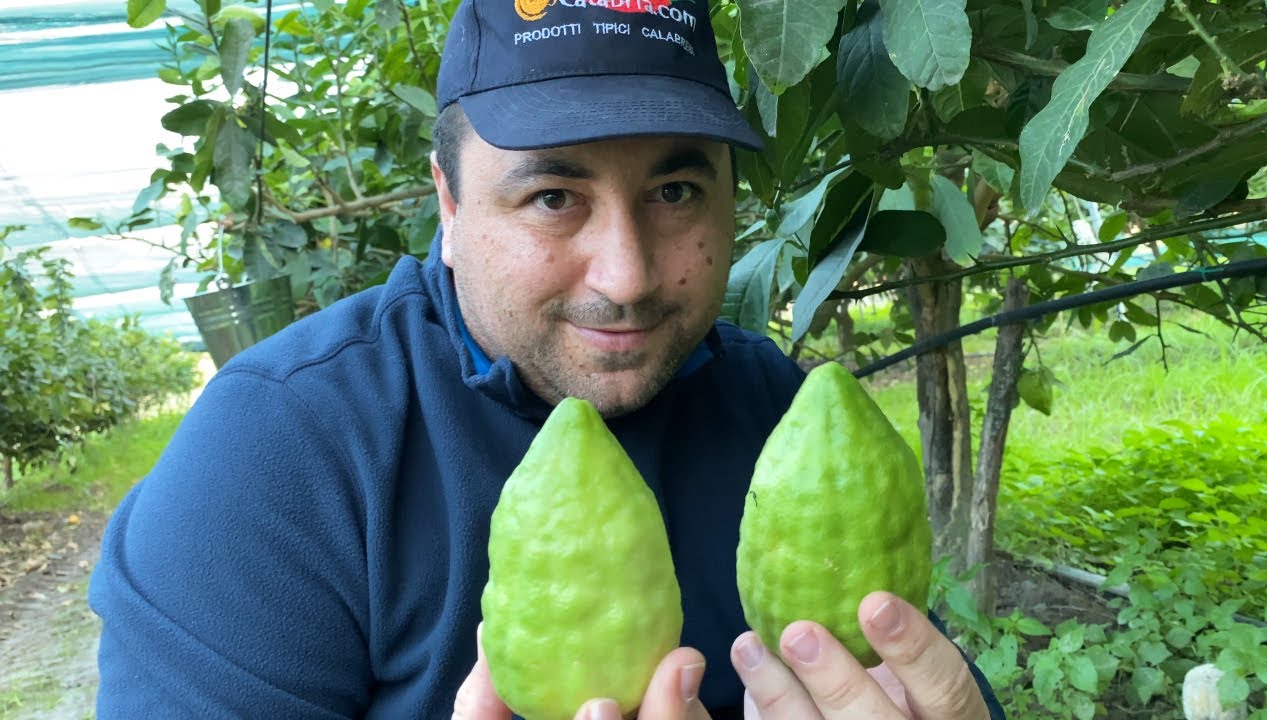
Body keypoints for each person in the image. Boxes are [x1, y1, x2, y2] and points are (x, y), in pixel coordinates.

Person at [88, 0, 1007, 718]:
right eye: (553, 197)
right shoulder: (275, 456)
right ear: (449, 207)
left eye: (675, 191)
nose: (627, 276)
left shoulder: (773, 410)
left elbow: (906, 679)